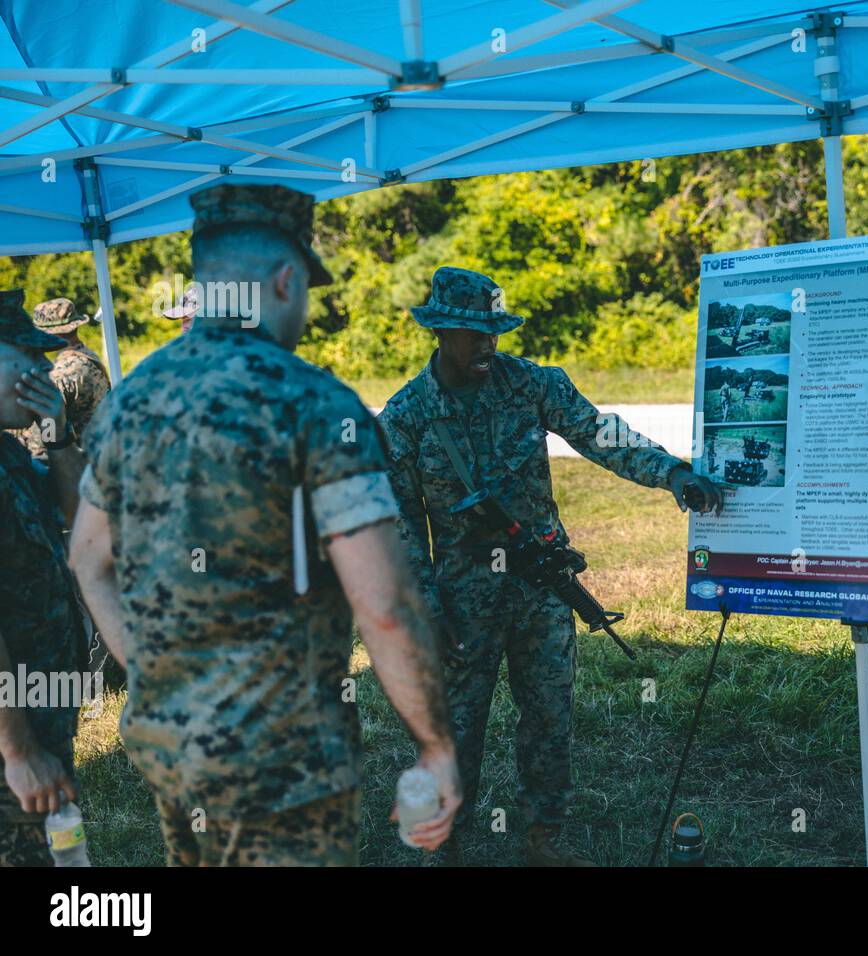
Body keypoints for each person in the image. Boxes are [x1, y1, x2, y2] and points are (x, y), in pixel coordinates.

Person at [68, 183, 461, 866]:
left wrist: (156, 673)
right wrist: (435, 745)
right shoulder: (314, 405)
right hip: (285, 766)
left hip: (171, 752)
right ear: (285, 280)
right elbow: (386, 606)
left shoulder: (128, 401)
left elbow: (86, 560)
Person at [379, 266, 723, 866]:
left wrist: (671, 471)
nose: (487, 344)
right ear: (440, 331)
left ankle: (545, 839)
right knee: (457, 730)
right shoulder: (407, 417)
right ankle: (447, 845)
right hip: (462, 603)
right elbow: (400, 527)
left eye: (494, 332)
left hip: (542, 586)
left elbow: (600, 433)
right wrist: (427, 613)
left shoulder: (530, 385)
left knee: (548, 717)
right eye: (473, 333)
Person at [0, 290, 89, 866]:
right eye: (27, 359)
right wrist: (19, 750)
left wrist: (57, 434)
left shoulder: (8, 453)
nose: (43, 371)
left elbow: (82, 521)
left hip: (43, 702)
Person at [5, 297, 109, 461]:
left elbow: (46, 419)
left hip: (75, 462)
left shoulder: (61, 373)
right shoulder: (87, 356)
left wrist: (39, 453)